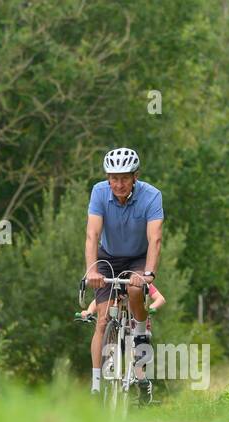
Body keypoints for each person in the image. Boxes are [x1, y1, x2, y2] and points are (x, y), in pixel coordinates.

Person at [83, 147, 164, 394]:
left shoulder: (151, 196)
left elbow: (155, 239)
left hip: (138, 257)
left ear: (135, 177)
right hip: (109, 256)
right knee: (103, 320)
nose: (119, 184)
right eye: (114, 178)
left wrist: (148, 272)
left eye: (125, 178)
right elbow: (92, 234)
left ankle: (140, 332)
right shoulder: (98, 192)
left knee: (136, 288)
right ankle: (97, 385)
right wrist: (91, 270)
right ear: (108, 178)